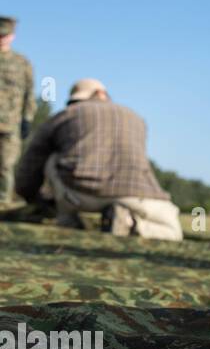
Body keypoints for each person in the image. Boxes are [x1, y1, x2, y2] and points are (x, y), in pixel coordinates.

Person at [15, 78, 184, 241]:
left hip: (80, 194)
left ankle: (67, 218)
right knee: (173, 232)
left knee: (52, 158)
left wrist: (34, 198)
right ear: (102, 93)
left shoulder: (63, 116)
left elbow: (30, 164)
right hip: (138, 195)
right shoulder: (136, 118)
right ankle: (132, 225)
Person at [0, 16, 36, 207]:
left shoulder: (21, 63)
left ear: (12, 36)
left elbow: (30, 93)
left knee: (6, 165)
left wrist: (27, 119)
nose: (1, 38)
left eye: (5, 35)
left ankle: (3, 203)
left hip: (10, 124)